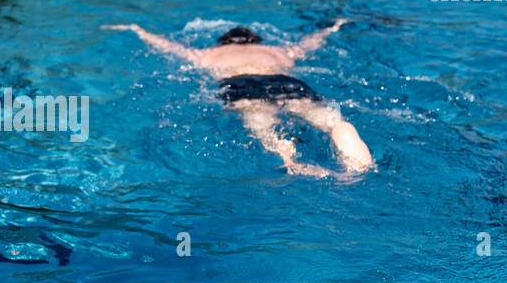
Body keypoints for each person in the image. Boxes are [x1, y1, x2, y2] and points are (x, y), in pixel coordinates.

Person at [103, 20, 373, 177]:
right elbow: (312, 42)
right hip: (285, 82)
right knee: (334, 123)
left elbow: (169, 47)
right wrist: (334, 26)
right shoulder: (280, 52)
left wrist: (137, 29)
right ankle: (358, 167)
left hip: (241, 85)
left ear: (224, 44)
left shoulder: (208, 55)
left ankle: (289, 160)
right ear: (256, 42)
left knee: (263, 125)